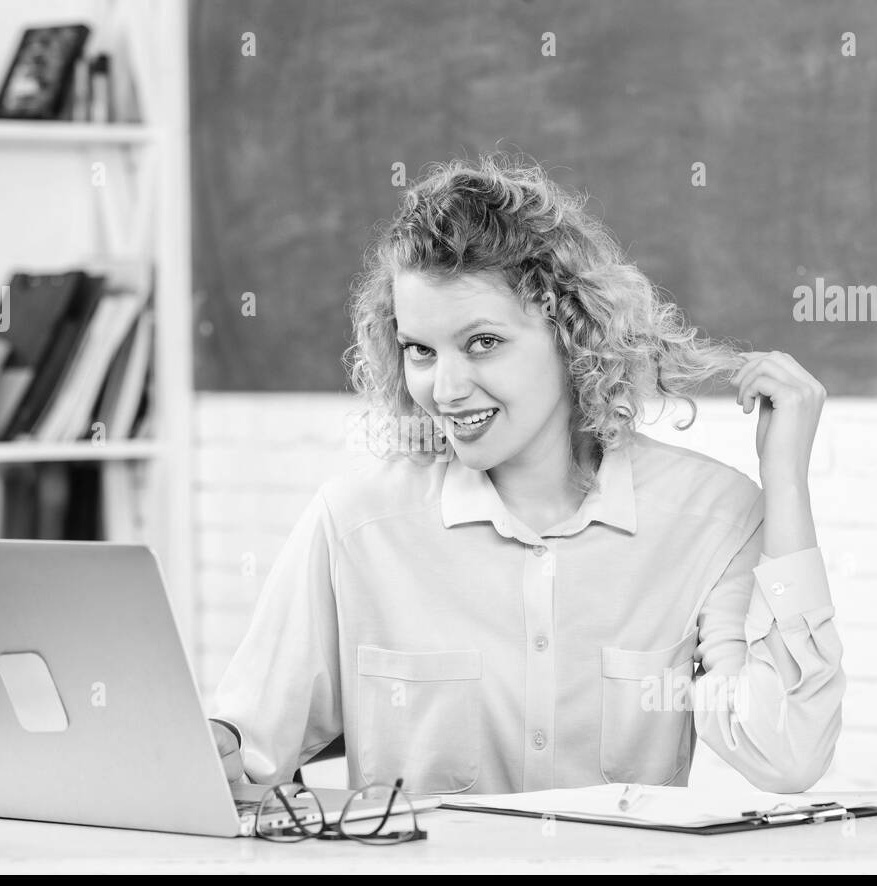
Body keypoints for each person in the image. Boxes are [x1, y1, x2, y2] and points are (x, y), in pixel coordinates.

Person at [208, 153, 843, 796]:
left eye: (483, 342)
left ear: (574, 333)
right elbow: (248, 744)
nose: (447, 389)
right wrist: (216, 743)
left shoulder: (713, 519)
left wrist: (785, 477)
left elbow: (785, 754)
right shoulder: (357, 525)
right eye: (420, 351)